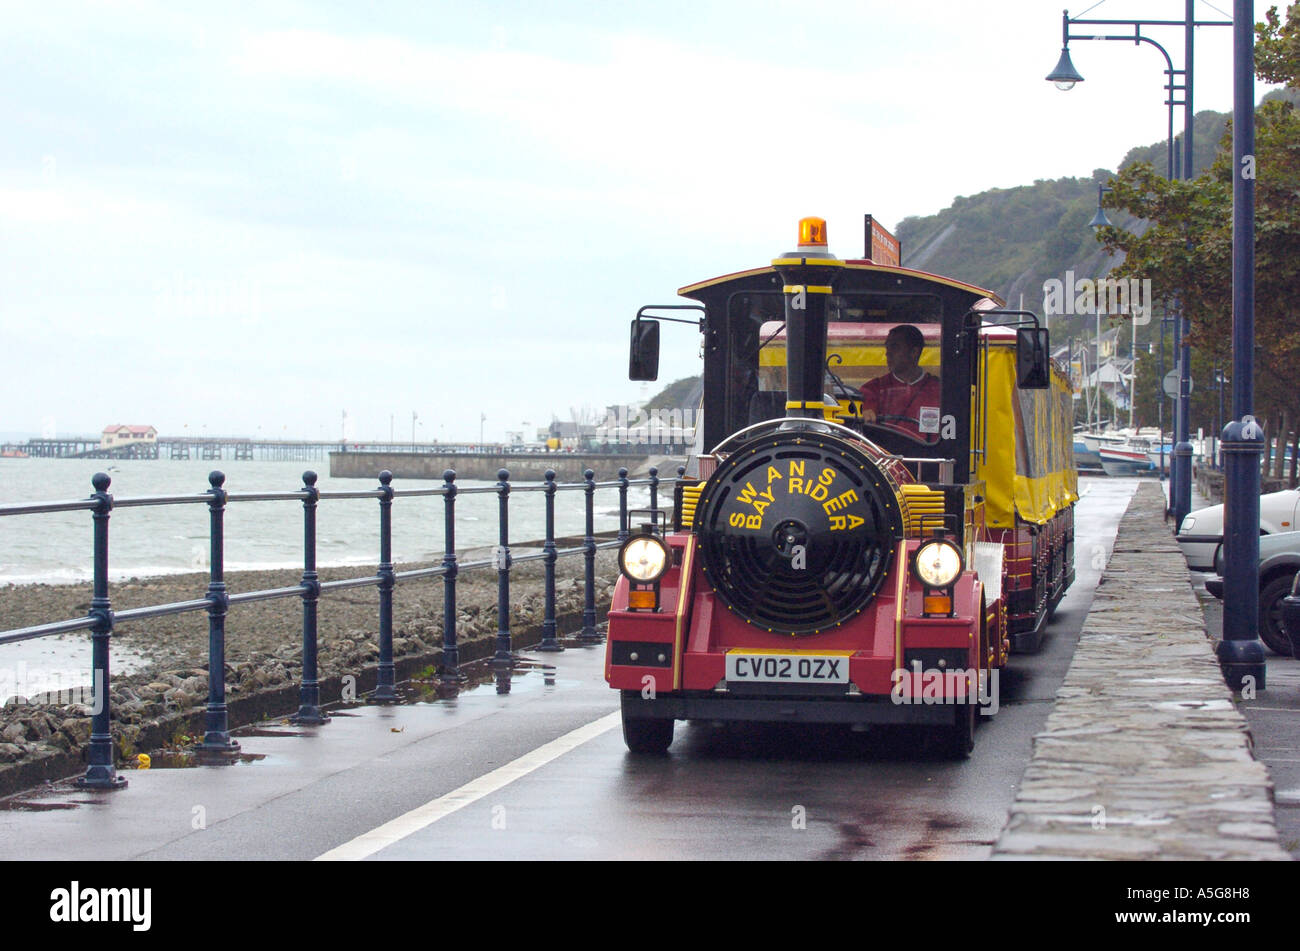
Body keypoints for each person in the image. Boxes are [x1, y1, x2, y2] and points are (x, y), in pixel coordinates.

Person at [858, 324, 941, 440]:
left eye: (895, 347)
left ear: (914, 352)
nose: (888, 353)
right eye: (887, 348)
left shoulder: (938, 389)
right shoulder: (873, 389)